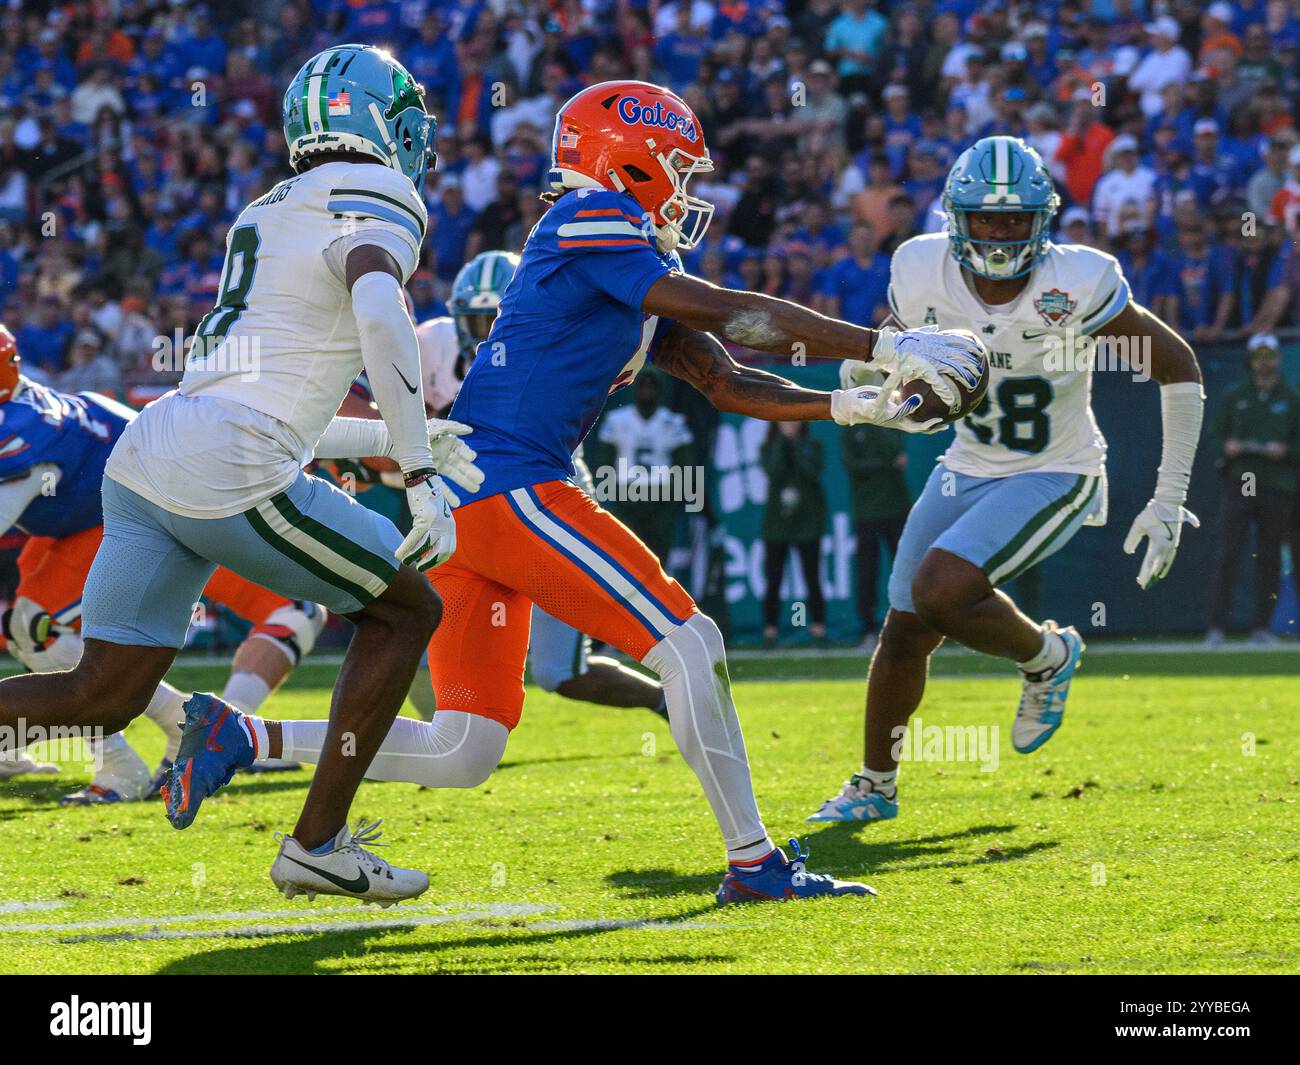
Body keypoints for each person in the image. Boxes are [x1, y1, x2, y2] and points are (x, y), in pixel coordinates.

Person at [212, 79, 988, 906]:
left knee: (463, 746)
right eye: (678, 169)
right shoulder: (592, 219)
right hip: (510, 483)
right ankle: (756, 864)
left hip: (473, 501)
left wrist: (851, 401)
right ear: (634, 160)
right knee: (690, 644)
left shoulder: (616, 249)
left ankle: (244, 733)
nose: (688, 190)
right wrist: (887, 343)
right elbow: (730, 312)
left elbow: (724, 380)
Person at [0, 46, 481, 906]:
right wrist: (415, 470)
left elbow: (272, 401)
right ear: (377, 121)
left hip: (152, 450)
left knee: (101, 694)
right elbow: (380, 309)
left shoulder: (268, 206)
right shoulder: (384, 193)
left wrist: (392, 435)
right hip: (226, 460)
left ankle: (311, 831)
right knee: (407, 609)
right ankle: (317, 844)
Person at [811, 136, 1204, 823]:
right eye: (986, 219)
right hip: (967, 464)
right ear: (955, 218)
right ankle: (874, 786)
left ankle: (1047, 655)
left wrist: (1168, 498)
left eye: (1015, 219)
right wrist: (878, 380)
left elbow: (1178, 367)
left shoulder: (1078, 281)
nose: (999, 232)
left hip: (1060, 468)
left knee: (941, 589)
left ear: (1042, 218)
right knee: (904, 625)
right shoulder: (920, 267)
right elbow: (907, 352)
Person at [0, 324, 326, 799]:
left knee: (39, 627)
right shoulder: (35, 415)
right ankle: (189, 731)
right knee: (32, 630)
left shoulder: (28, 430)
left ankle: (172, 742)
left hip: (139, 510)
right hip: (98, 514)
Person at [405, 250, 669, 717]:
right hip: (466, 509)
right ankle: (446, 741)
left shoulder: (553, 349)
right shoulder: (432, 344)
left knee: (559, 672)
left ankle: (668, 693)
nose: (487, 334)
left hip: (545, 497)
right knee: (427, 635)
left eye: (495, 320)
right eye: (476, 321)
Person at [1206, 334, 1300, 646]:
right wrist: (1228, 448)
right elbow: (1216, 439)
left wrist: (1284, 451)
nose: (1264, 361)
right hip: (1241, 484)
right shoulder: (1235, 396)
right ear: (1251, 359)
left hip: (1276, 486)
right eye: (1258, 355)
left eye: (1269, 355)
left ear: (1277, 358)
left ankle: (1262, 627)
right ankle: (1217, 627)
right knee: (1228, 554)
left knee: (1270, 556)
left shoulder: (1291, 397)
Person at [842, 412, 910, 652]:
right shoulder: (851, 427)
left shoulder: (894, 421)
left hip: (896, 508)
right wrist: (886, 464)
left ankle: (913, 626)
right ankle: (868, 629)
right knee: (867, 573)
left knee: (904, 569)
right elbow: (853, 465)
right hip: (866, 512)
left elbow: (896, 451)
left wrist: (878, 423)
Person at [760, 421, 828, 645]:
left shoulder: (812, 444)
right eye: (784, 420)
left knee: (812, 575)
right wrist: (782, 442)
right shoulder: (768, 446)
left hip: (808, 520)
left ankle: (818, 628)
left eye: (793, 419)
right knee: (774, 577)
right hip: (777, 522)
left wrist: (796, 444)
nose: (789, 424)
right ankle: (770, 630)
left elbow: (811, 472)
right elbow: (773, 471)